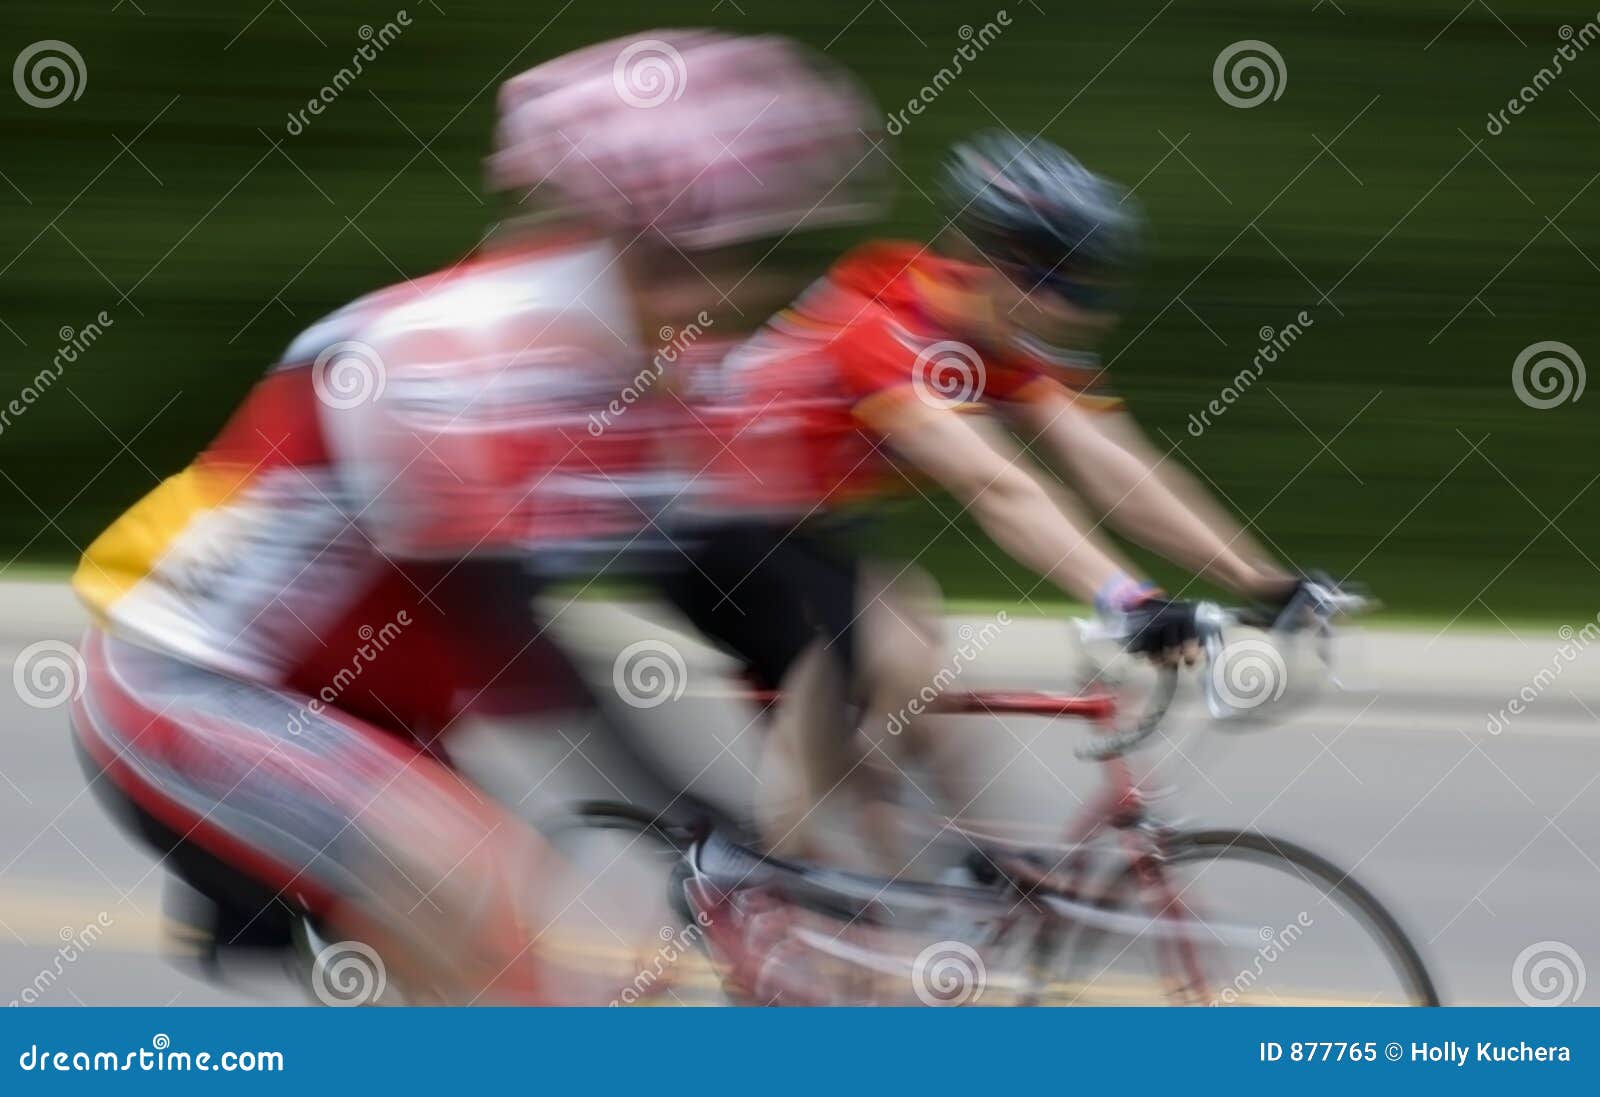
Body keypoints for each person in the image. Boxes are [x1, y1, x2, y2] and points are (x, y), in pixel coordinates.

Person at [68, 29, 884, 1004]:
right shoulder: (459, 350)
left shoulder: (647, 362)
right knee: (482, 899)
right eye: (732, 253)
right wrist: (698, 811)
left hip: (360, 704)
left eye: (774, 253)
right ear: (640, 236)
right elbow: (509, 644)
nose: (757, 289)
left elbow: (733, 571)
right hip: (198, 684)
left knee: (531, 953)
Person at [691, 131, 1308, 868]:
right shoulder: (883, 322)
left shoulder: (999, 333)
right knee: (880, 657)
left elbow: (1118, 468)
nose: (1087, 312)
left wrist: (1264, 581)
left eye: (1096, 287)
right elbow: (998, 485)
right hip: (702, 520)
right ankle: (760, 878)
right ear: (1004, 267)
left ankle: (960, 889)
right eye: (1072, 285)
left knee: (929, 707)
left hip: (800, 522)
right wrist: (1127, 598)